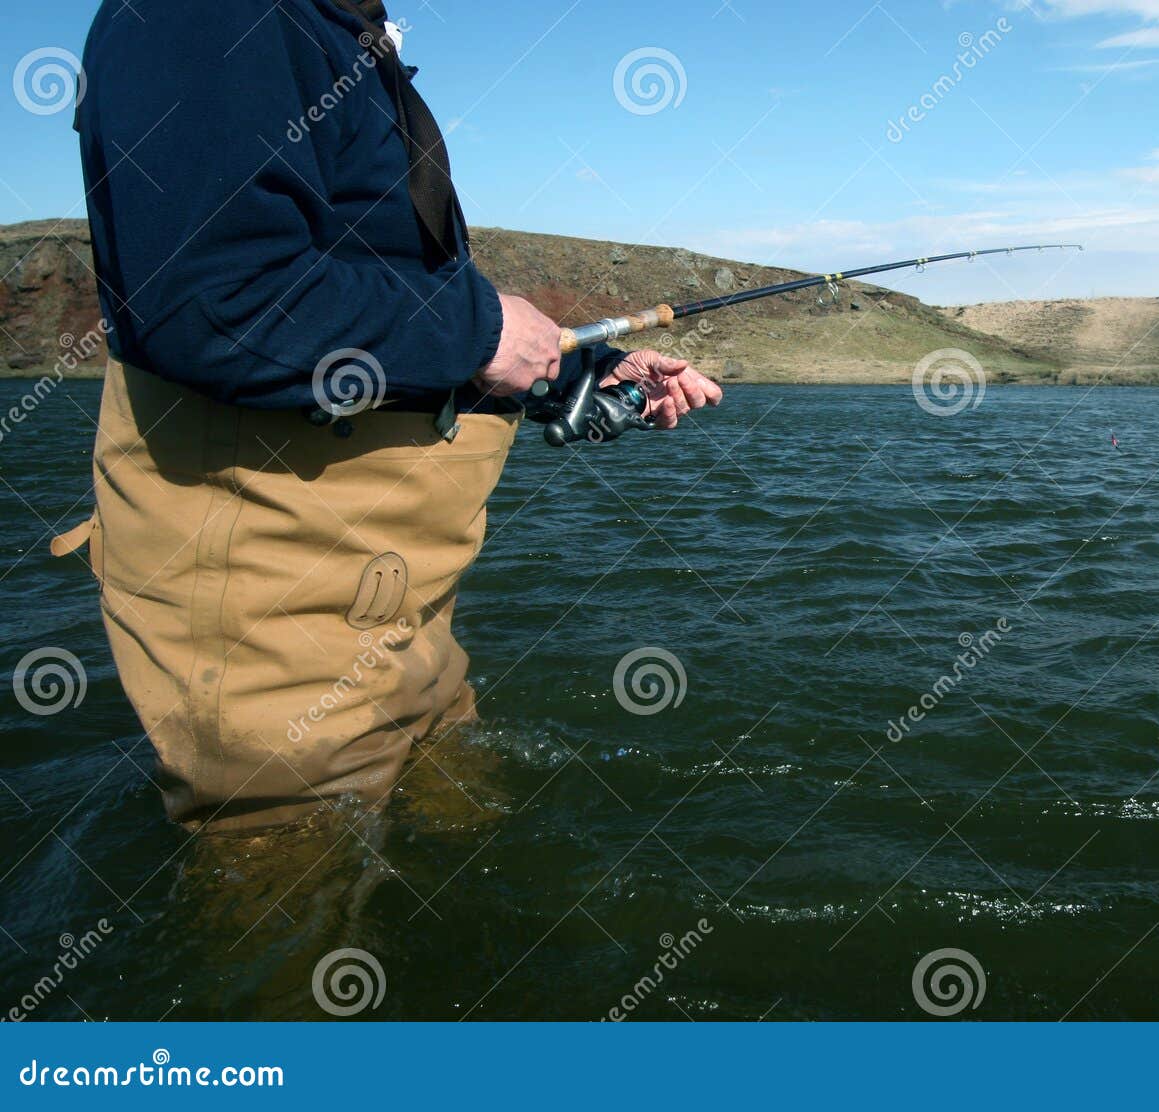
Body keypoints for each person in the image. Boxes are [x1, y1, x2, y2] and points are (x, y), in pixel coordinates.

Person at [59, 0, 721, 831]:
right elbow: (212, 302)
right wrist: (480, 331)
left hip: (404, 602)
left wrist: (579, 367)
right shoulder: (210, 13)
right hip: (281, 608)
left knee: (460, 824)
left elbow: (377, 290)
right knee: (286, 877)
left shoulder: (335, 27)